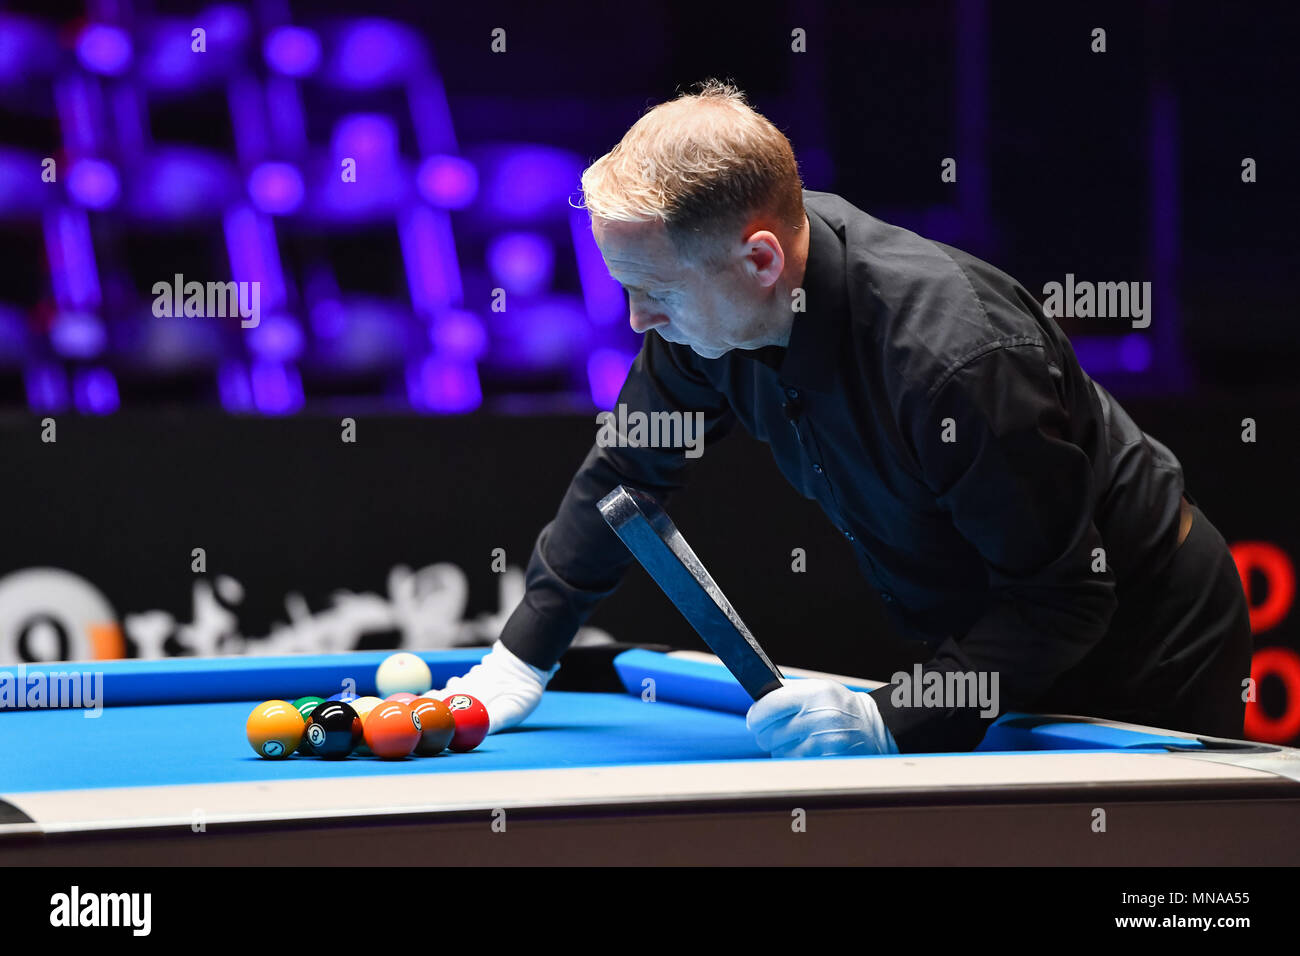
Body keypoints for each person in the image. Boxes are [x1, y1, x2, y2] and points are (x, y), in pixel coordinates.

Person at [436, 80, 1253, 755]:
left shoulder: (953, 362)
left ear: (760, 260)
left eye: (654, 291)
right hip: (1001, 630)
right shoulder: (705, 305)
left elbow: (1067, 597)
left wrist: (895, 719)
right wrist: (522, 656)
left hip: (1145, 636)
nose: (637, 320)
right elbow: (624, 473)